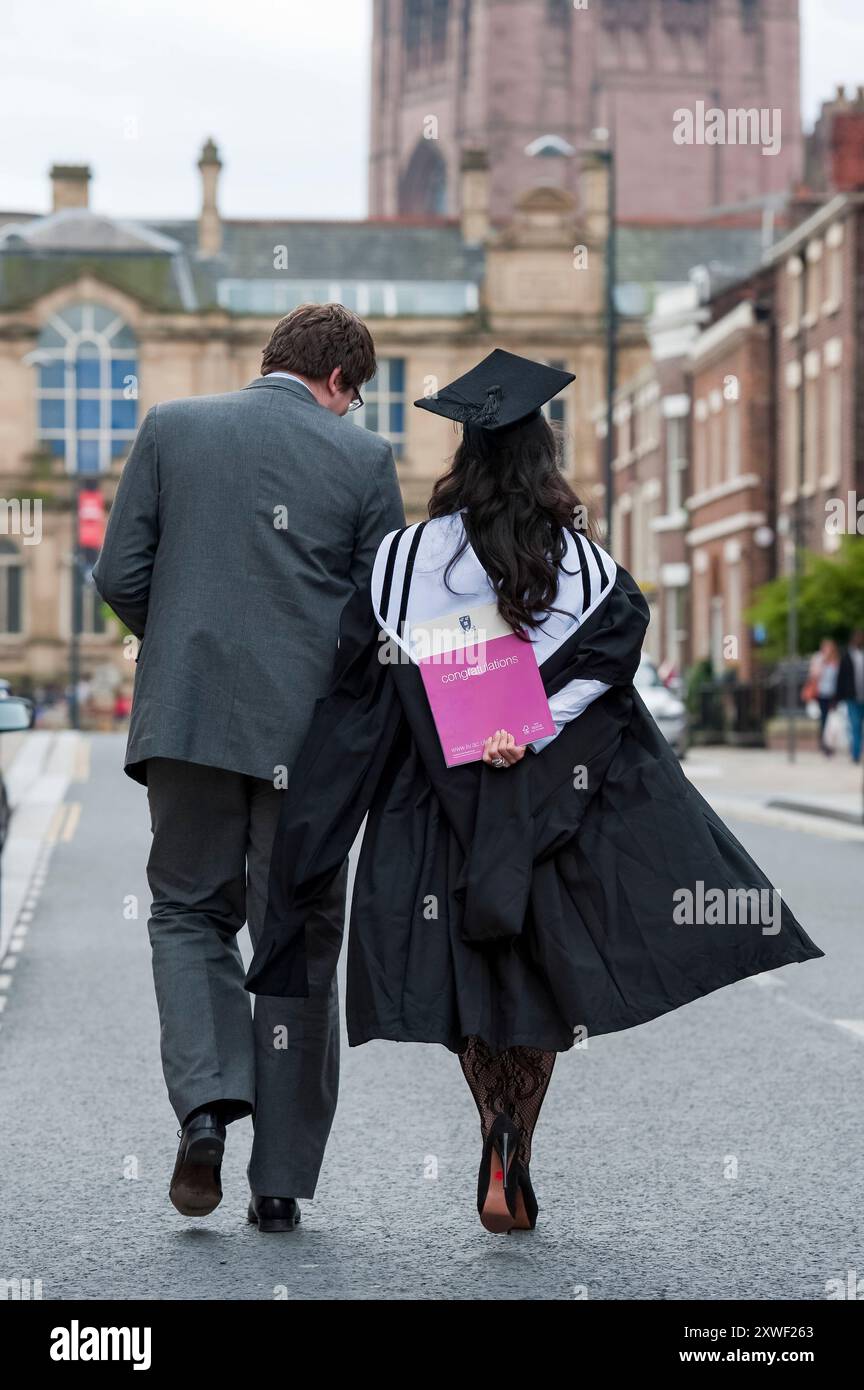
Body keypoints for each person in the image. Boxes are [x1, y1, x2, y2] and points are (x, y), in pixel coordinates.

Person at [245, 350, 824, 1235]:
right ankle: (517, 1138)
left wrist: (312, 841)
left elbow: (358, 701)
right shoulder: (584, 565)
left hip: (438, 802)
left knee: (471, 977)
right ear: (543, 463)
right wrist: (534, 727)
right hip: (554, 800)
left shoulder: (406, 560)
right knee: (540, 979)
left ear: (463, 462)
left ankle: (491, 1122)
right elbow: (609, 662)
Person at [93, 304, 405, 1232]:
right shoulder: (362, 460)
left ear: (272, 361)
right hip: (305, 743)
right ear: (343, 382)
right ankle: (279, 1181)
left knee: (188, 912)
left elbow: (116, 574)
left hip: (184, 723)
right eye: (353, 400)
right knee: (297, 934)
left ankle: (203, 1113)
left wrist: (186, 645)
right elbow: (378, 610)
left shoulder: (172, 428)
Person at [803, 638, 840, 755]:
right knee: (824, 718)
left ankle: (831, 742)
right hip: (821, 693)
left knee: (833, 719)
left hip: (833, 693)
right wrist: (823, 663)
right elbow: (813, 675)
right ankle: (824, 743)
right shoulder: (818, 658)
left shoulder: (836, 660)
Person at [836, 629, 864, 763]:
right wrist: (838, 697)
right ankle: (856, 754)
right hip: (852, 697)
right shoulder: (846, 656)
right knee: (855, 725)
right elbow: (841, 678)